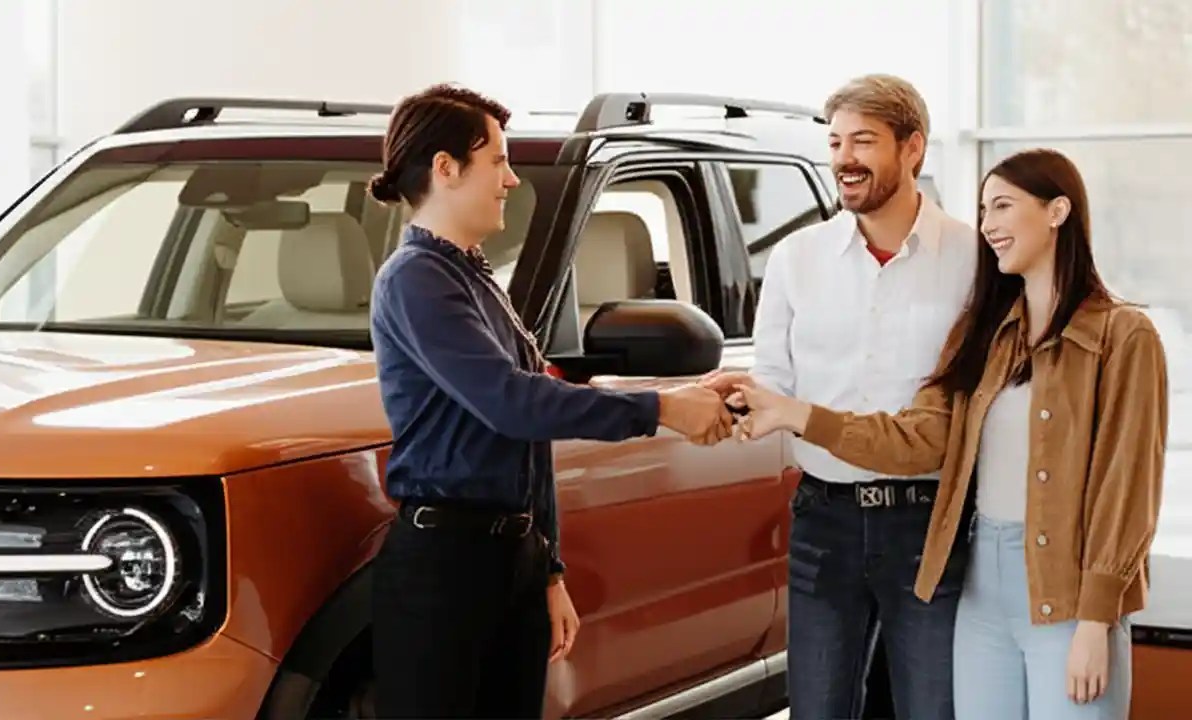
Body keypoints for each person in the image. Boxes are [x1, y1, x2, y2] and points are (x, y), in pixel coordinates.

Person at [726, 147, 1168, 720]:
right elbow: (916, 439)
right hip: (981, 590)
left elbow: (1127, 488)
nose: (987, 226)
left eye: (1004, 207)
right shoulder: (985, 335)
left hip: (1069, 594)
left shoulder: (1123, 336)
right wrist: (797, 415)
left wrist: (1095, 620)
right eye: (984, 209)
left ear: (1057, 211)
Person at [365, 83, 733, 719]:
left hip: (510, 558)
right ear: (446, 169)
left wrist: (548, 571)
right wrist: (663, 410)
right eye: (498, 161)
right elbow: (514, 403)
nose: (510, 179)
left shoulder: (470, 271)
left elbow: (523, 439)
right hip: (446, 570)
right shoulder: (417, 279)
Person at [702, 74, 978, 719]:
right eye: (834, 144)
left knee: (931, 708)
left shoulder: (972, 259)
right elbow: (772, 381)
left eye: (863, 142)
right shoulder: (798, 257)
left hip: (931, 522)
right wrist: (729, 398)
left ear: (913, 149)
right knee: (819, 709)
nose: (844, 160)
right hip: (824, 520)